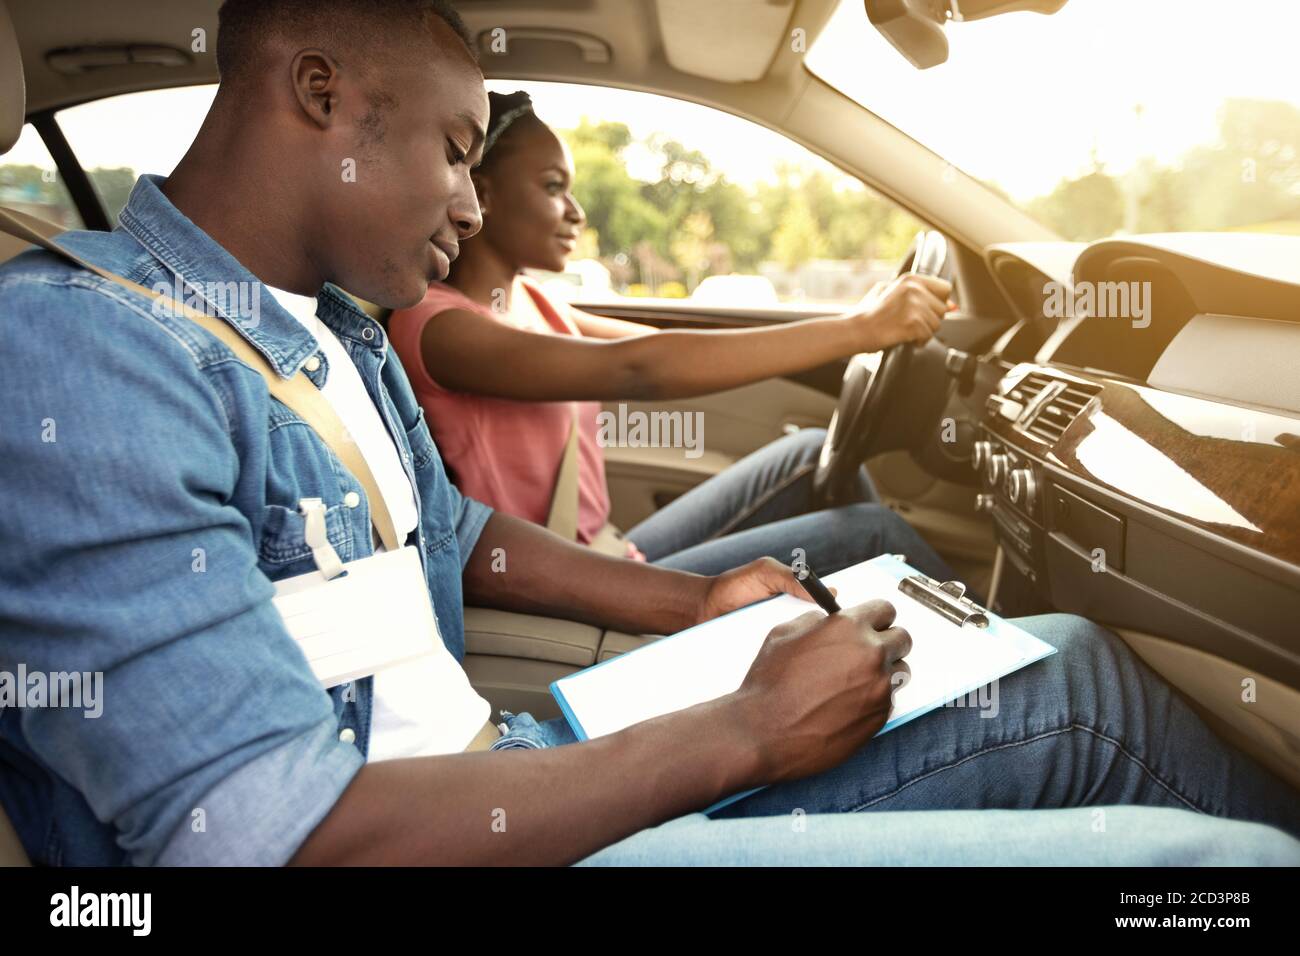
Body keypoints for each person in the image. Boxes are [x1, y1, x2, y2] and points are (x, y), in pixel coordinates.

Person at [1, 0, 1297, 868]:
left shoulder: (333, 325)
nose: (467, 197)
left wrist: (692, 603)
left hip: (497, 764)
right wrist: (743, 733)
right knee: (1208, 856)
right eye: (458, 152)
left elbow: (456, 538)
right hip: (442, 836)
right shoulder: (89, 350)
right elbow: (276, 837)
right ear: (322, 94)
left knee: (1063, 662)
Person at [387, 90, 955, 580]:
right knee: (874, 535)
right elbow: (642, 367)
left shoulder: (532, 301)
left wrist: (849, 332)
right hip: (562, 586)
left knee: (806, 455)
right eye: (554, 186)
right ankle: (1014, 672)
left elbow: (660, 342)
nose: (577, 212)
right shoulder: (440, 327)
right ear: (482, 195)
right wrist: (863, 327)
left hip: (607, 550)